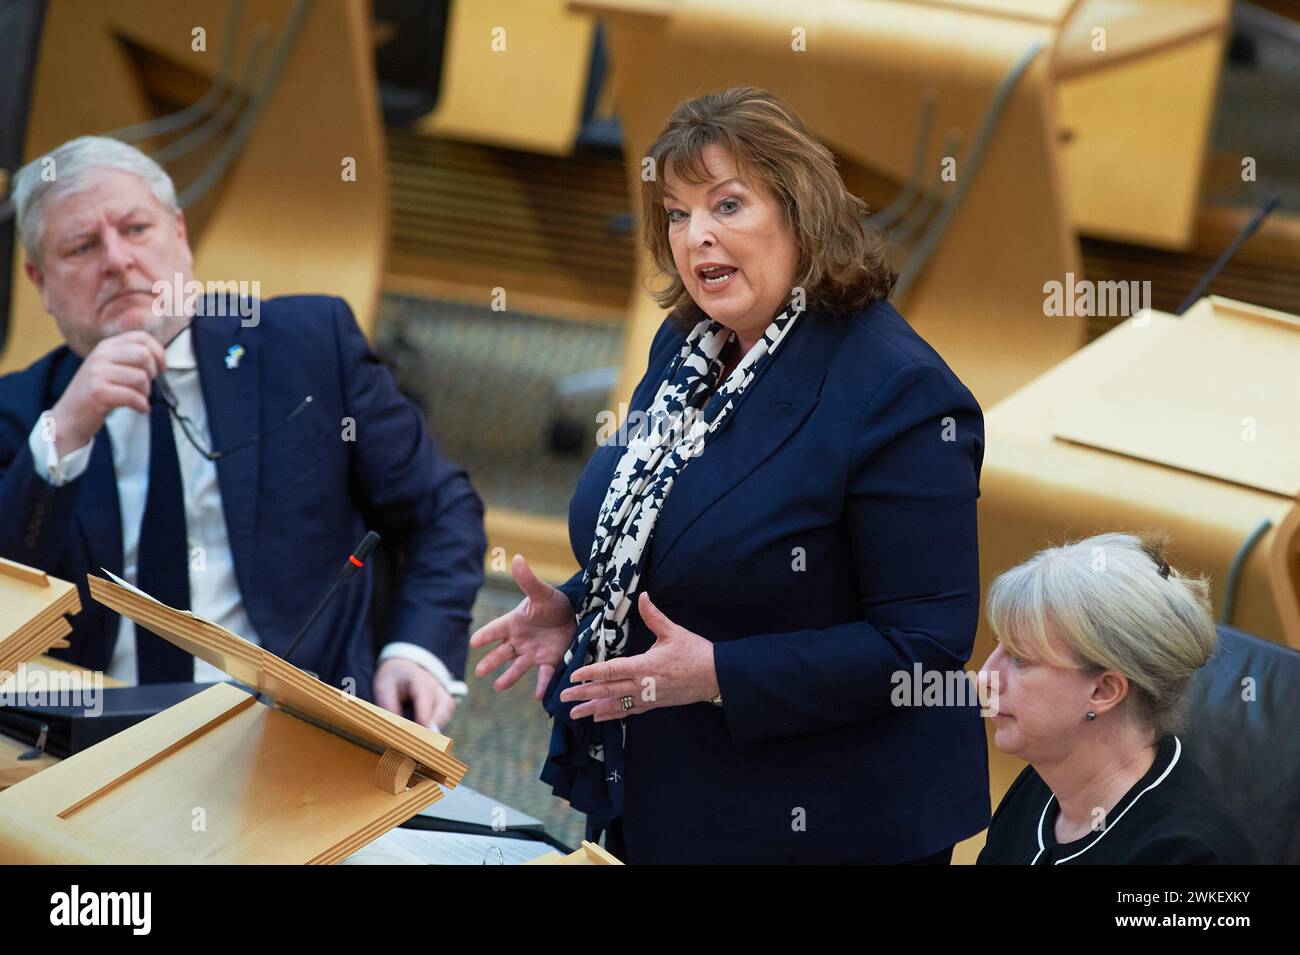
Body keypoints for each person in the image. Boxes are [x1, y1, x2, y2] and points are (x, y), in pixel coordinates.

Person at [470, 87, 989, 863]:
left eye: (727, 206)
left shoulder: (901, 394)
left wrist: (721, 674)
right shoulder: (691, 348)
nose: (697, 237)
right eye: (678, 215)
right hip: (669, 778)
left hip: (827, 815)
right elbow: (675, 530)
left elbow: (924, 647)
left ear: (800, 212)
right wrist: (583, 602)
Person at [0, 136, 485, 728]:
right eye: (81, 246)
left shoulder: (307, 345)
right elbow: (8, 604)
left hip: (297, 726)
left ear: (179, 235)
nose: (118, 261)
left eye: (136, 230)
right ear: (39, 280)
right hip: (96, 735)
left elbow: (440, 509)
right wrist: (66, 435)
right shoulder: (24, 414)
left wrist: (418, 650)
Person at [977, 533, 1258, 864]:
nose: (984, 676)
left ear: (1104, 691)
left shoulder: (1184, 854)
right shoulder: (1043, 784)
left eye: (1020, 659)